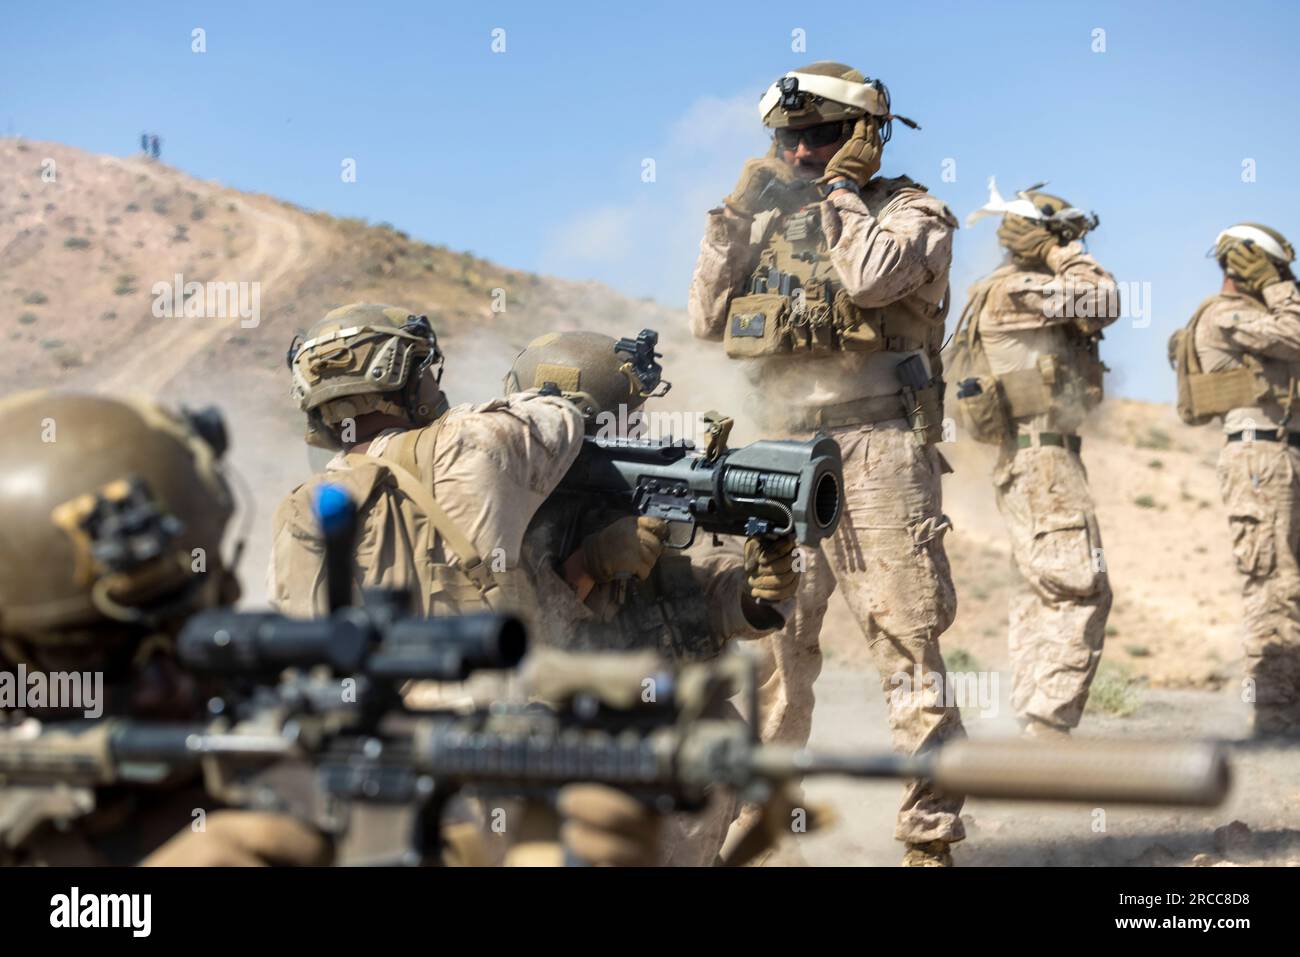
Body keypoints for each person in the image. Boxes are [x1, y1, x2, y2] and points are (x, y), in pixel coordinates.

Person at [687, 60, 964, 865]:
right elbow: (705, 316)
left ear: (863, 138)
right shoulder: (769, 221)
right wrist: (735, 214)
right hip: (781, 446)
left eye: (817, 138)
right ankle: (751, 838)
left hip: (877, 446)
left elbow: (872, 279)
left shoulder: (912, 211)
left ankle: (928, 839)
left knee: (906, 642)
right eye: (786, 138)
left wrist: (844, 191)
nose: (798, 154)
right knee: (772, 646)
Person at [505, 330, 800, 864]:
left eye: (635, 421)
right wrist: (587, 566)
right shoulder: (505, 519)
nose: (636, 435)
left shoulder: (618, 500)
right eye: (620, 424)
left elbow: (693, 590)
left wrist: (758, 591)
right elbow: (520, 635)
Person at [950, 181, 1119, 735]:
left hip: (1032, 461)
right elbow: (1104, 299)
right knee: (1079, 588)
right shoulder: (1018, 289)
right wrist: (1059, 251)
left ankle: (1033, 724)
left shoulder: (998, 288)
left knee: (1043, 591)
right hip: (1042, 463)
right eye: (1065, 236)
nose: (1075, 246)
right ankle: (1047, 725)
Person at [1174, 223, 1300, 736]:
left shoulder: (1251, 314)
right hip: (1259, 457)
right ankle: (1274, 714)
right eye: (1274, 268)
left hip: (1278, 453)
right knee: (1273, 583)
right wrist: (1276, 286)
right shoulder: (1227, 315)